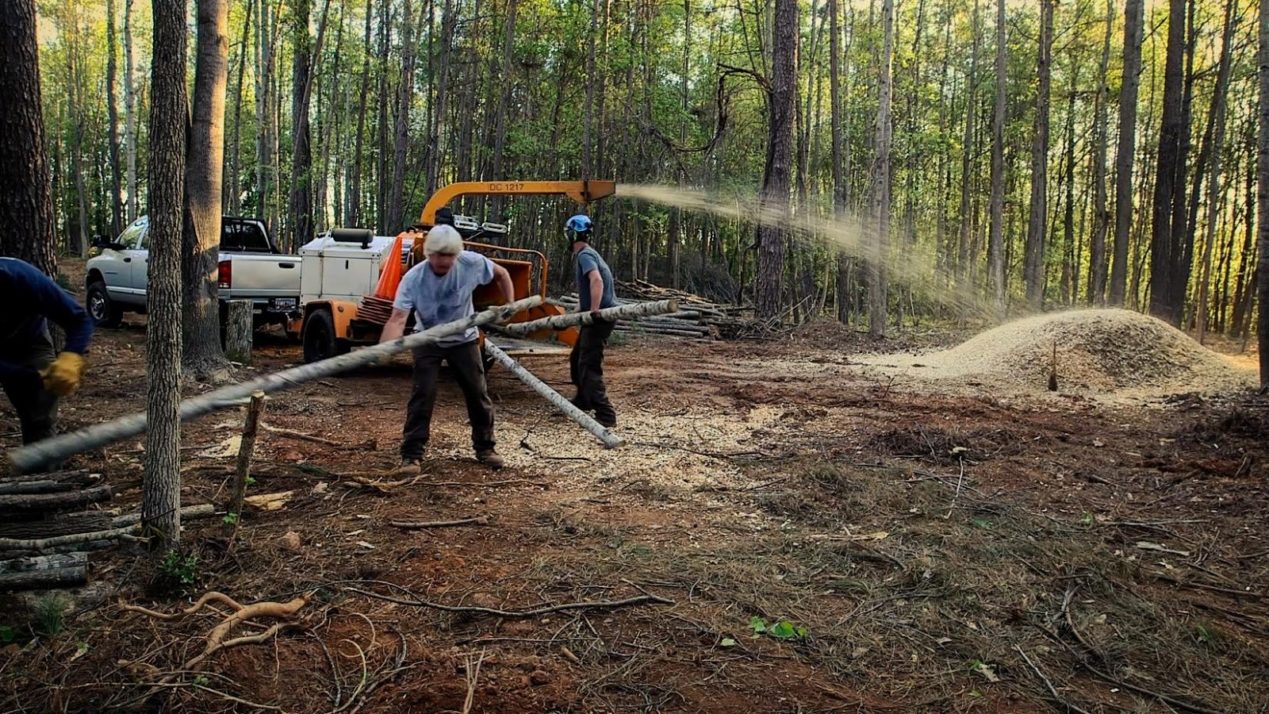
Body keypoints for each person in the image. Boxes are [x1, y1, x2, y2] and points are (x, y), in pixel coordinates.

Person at [380, 225, 515, 472]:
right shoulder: (414, 279)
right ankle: (411, 454)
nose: (444, 261)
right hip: (427, 338)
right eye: (439, 255)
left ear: (457, 254)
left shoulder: (471, 263)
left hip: (464, 339)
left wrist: (509, 304)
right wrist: (385, 349)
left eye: (450, 256)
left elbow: (502, 274)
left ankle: (485, 448)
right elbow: (397, 319)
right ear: (428, 254)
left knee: (477, 392)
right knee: (423, 393)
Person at [0, 257, 93, 452]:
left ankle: (42, 465)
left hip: (31, 341)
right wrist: (33, 377)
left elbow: (79, 319)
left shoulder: (24, 277)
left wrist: (71, 356)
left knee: (40, 413)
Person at [566, 214, 618, 428]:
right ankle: (583, 399)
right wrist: (580, 308)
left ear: (571, 235)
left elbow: (596, 280)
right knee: (576, 358)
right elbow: (591, 287)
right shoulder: (590, 253)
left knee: (589, 364)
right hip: (598, 315)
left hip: (600, 317)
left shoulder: (584, 255)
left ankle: (606, 414)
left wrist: (594, 309)